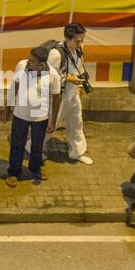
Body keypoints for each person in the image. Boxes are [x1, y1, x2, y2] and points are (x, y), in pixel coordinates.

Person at [4, 45, 59, 187]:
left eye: (32, 61)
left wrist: (52, 121)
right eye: (28, 58)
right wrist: (8, 107)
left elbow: (56, 98)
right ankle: (14, 172)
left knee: (37, 145)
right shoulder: (21, 66)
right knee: (17, 145)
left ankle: (35, 168)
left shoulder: (53, 75)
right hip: (20, 114)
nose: (28, 62)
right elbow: (14, 86)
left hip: (40, 118)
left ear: (41, 65)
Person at [47, 22, 93, 165]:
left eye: (82, 40)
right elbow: (47, 77)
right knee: (51, 123)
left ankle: (77, 152)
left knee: (76, 122)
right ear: (67, 38)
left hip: (73, 93)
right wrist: (67, 78)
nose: (80, 43)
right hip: (59, 96)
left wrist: (79, 79)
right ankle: (32, 147)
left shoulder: (79, 49)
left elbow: (77, 67)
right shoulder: (56, 54)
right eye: (77, 40)